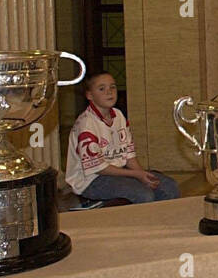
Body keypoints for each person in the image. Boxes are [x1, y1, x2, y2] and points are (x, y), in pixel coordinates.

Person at [64, 71, 181, 203]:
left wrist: (143, 175)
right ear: (90, 95)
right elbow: (99, 168)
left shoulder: (118, 115)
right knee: (143, 195)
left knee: (169, 187)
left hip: (118, 171)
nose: (109, 92)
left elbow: (129, 155)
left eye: (112, 87)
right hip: (91, 179)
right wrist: (136, 175)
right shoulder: (86, 125)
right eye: (102, 89)